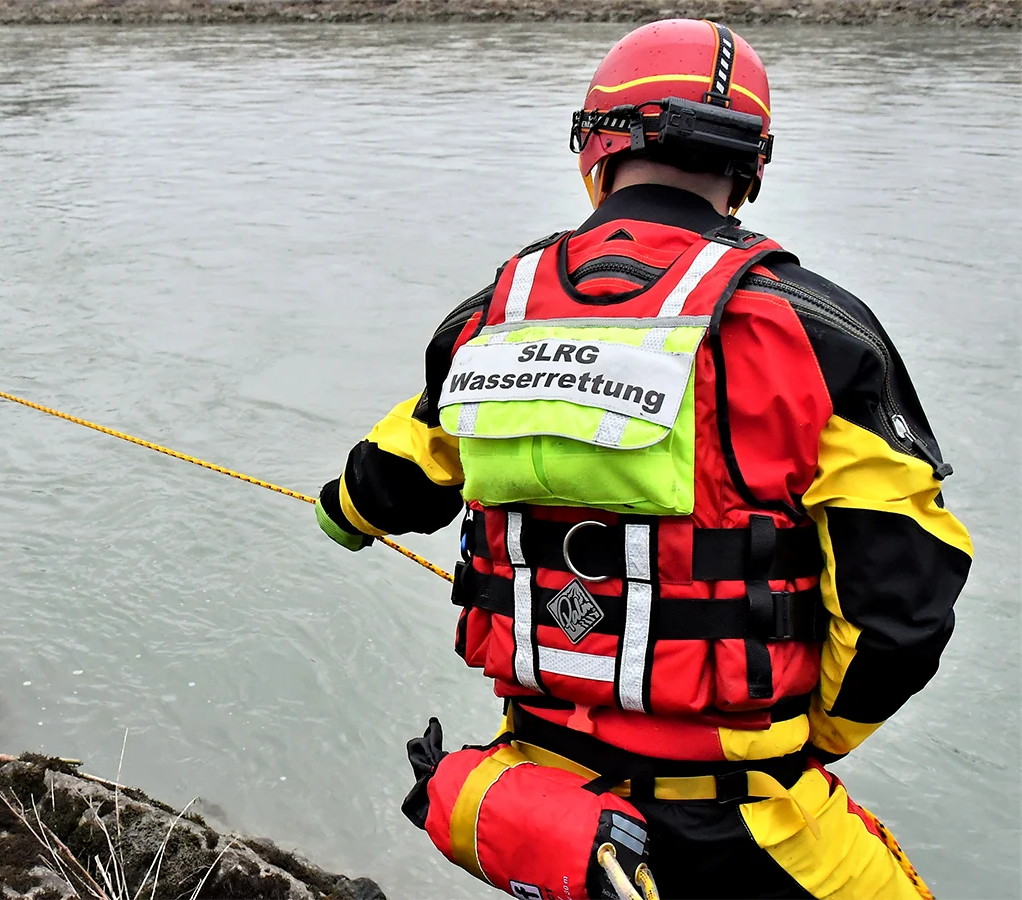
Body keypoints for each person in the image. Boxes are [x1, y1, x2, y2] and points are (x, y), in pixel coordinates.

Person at [313, 18, 971, 900]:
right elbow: (903, 604)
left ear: (596, 148)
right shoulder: (821, 336)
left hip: (546, 798)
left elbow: (391, 481)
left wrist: (338, 512)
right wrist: (811, 738)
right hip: (744, 808)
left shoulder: (491, 318)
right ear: (748, 173)